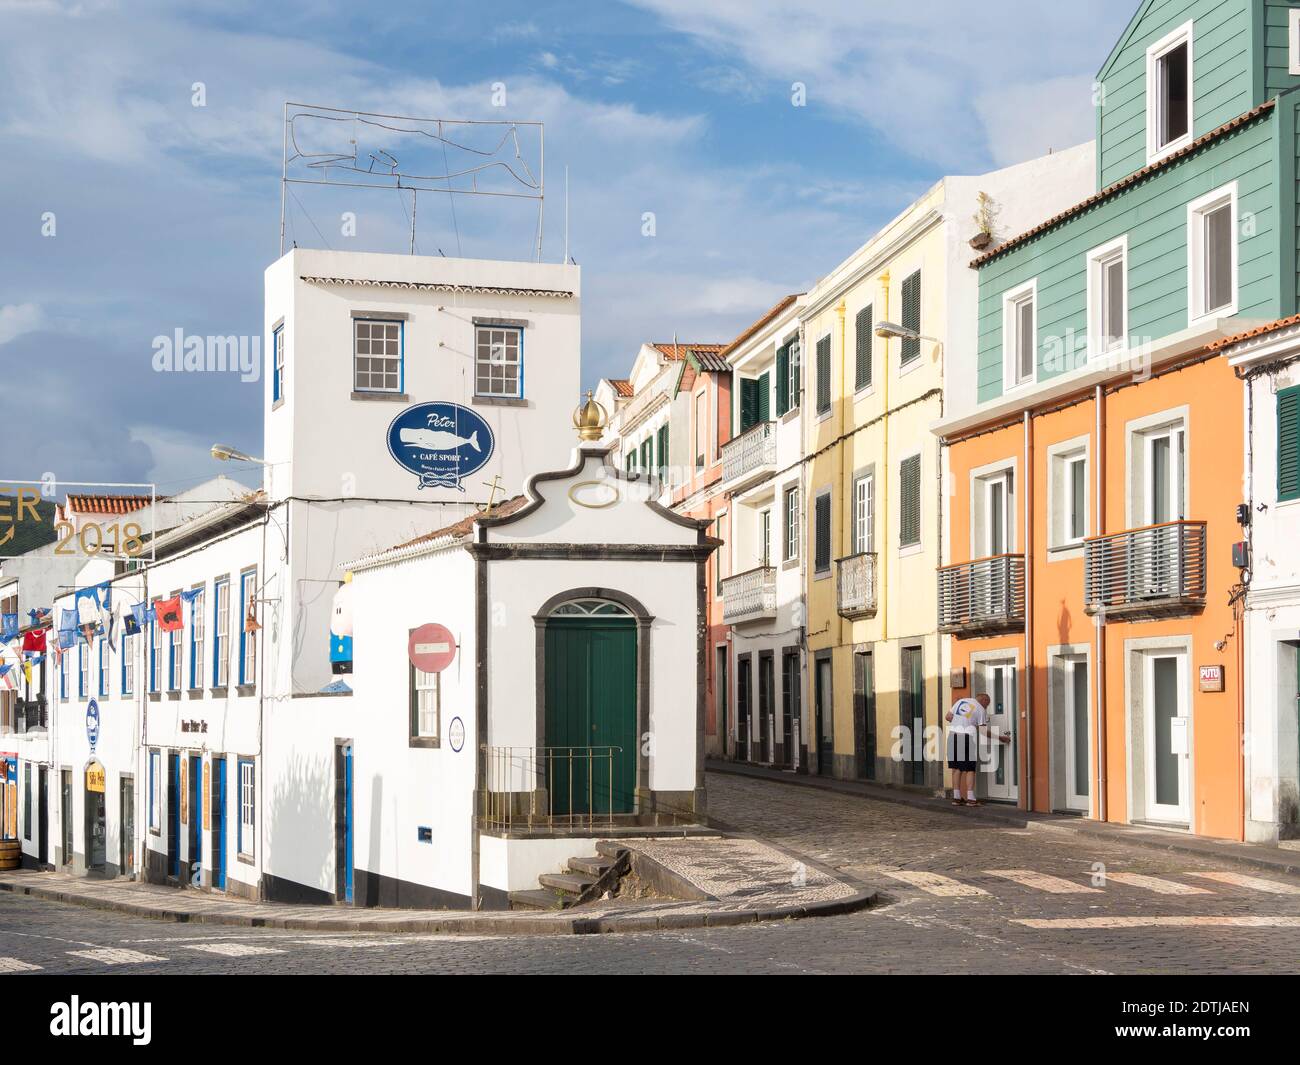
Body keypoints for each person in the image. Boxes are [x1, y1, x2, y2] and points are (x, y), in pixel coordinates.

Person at [945, 692, 1010, 807]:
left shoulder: (961, 701)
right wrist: (1000, 738)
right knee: (970, 769)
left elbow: (948, 717)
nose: (987, 706)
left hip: (952, 736)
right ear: (984, 700)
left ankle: (956, 798)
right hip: (966, 738)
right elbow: (983, 731)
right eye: (987, 704)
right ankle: (970, 799)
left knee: (956, 768)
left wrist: (960, 721)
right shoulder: (980, 709)